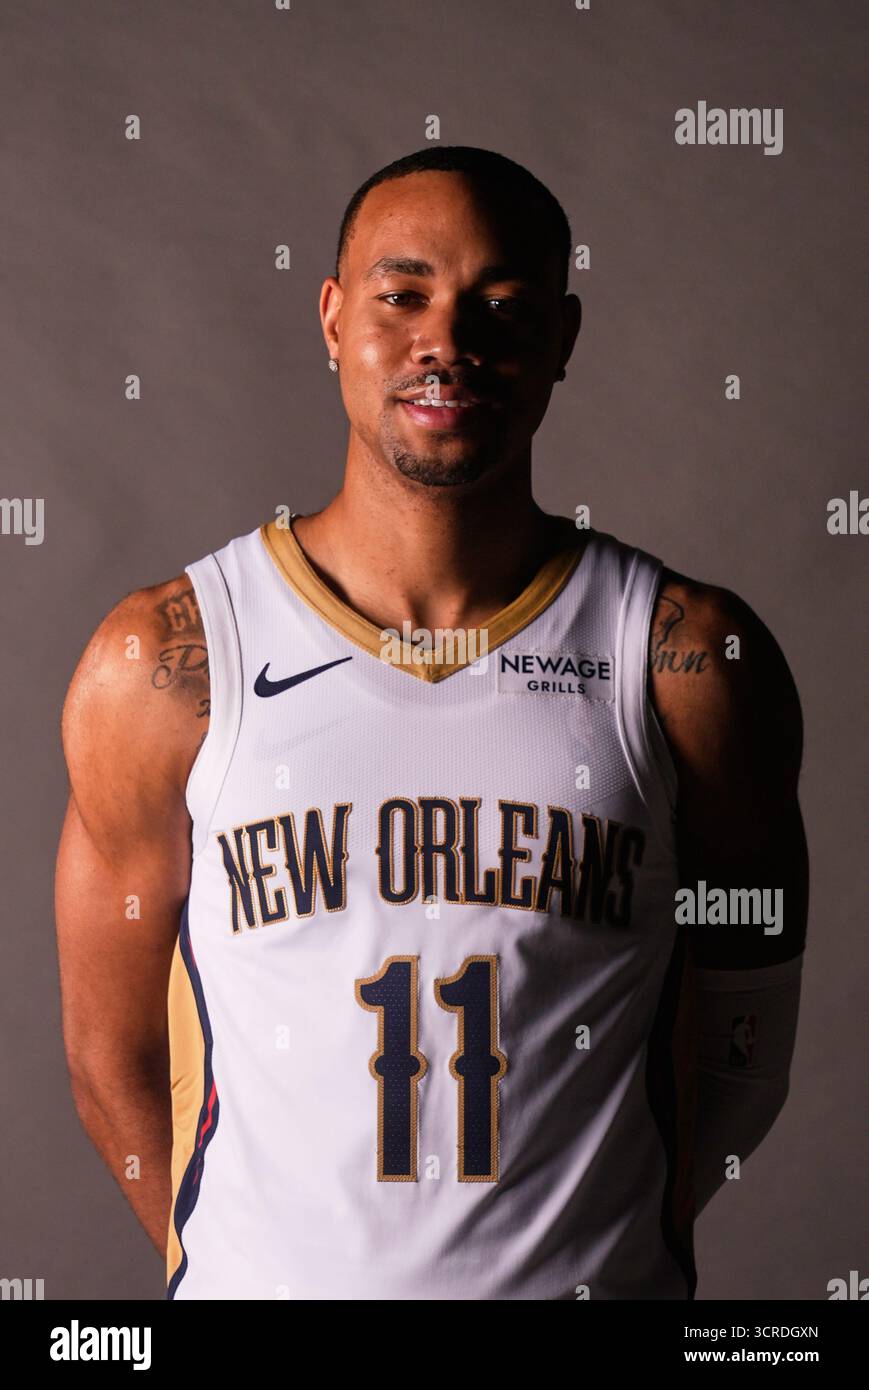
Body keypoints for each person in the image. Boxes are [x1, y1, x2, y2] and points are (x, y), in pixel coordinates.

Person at [56, 146, 807, 1300]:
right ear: (330, 317)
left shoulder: (685, 662)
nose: (445, 342)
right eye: (400, 296)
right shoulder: (165, 663)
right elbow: (112, 1060)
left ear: (561, 336)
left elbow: (740, 1059)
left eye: (498, 307)